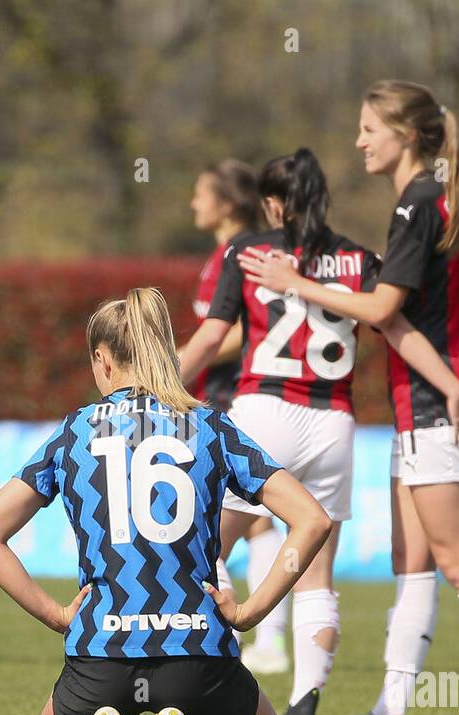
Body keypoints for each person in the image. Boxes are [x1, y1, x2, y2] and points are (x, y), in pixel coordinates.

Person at [238, 80, 459, 715]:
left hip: (432, 407)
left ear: (404, 135)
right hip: (425, 406)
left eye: (369, 128)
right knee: (414, 563)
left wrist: (298, 284)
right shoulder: (448, 202)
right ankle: (391, 710)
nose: (360, 140)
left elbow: (382, 310)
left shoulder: (416, 208)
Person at [0, 288, 332, 715]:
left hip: (102, 654)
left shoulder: (74, 432)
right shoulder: (211, 427)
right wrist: (250, 613)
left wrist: (56, 615)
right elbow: (311, 519)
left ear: (103, 360)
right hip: (196, 654)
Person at [180, 148, 459, 715]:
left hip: (263, 412)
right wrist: (452, 385)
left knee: (199, 543)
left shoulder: (247, 251)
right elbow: (396, 327)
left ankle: (222, 650)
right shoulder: (358, 259)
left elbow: (212, 338)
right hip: (332, 423)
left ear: (270, 202)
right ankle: (305, 706)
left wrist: (150, 389)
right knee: (316, 572)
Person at [185, 160, 290, 675]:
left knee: (210, 527)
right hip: (222, 393)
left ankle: (227, 632)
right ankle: (265, 640)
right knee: (254, 523)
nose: (192, 203)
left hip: (232, 396)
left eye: (201, 193)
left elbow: (240, 332)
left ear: (227, 202)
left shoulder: (244, 250)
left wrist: (174, 365)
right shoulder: (221, 254)